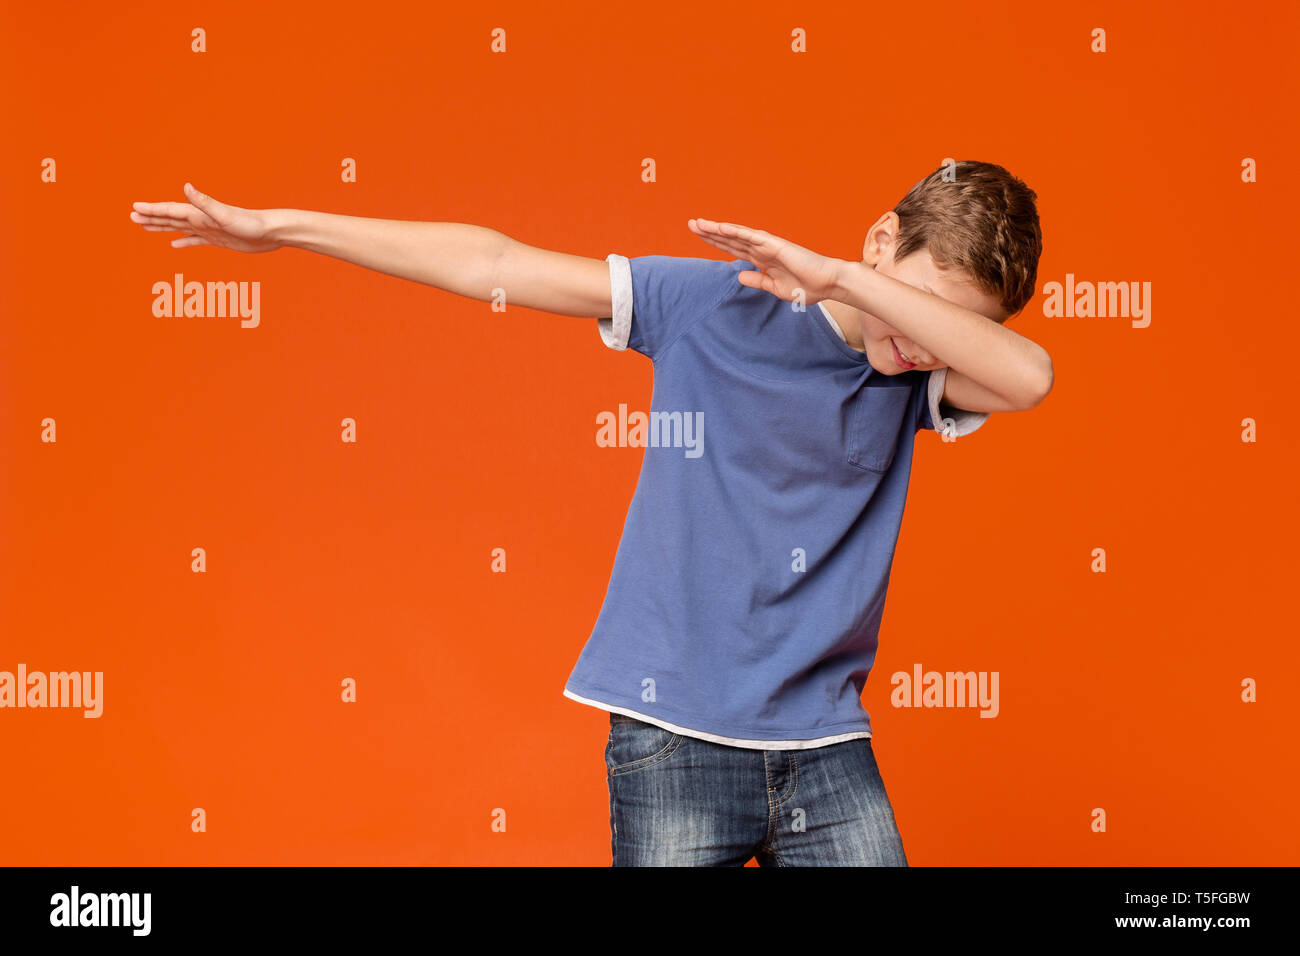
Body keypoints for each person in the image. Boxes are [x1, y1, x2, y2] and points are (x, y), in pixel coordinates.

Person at [130, 159, 1051, 866]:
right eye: (917, 306)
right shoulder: (714, 307)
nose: (919, 341)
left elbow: (1032, 376)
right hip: (673, 736)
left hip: (826, 741)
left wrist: (851, 286)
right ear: (882, 238)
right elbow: (494, 262)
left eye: (943, 328)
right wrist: (281, 229)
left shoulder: (917, 376)